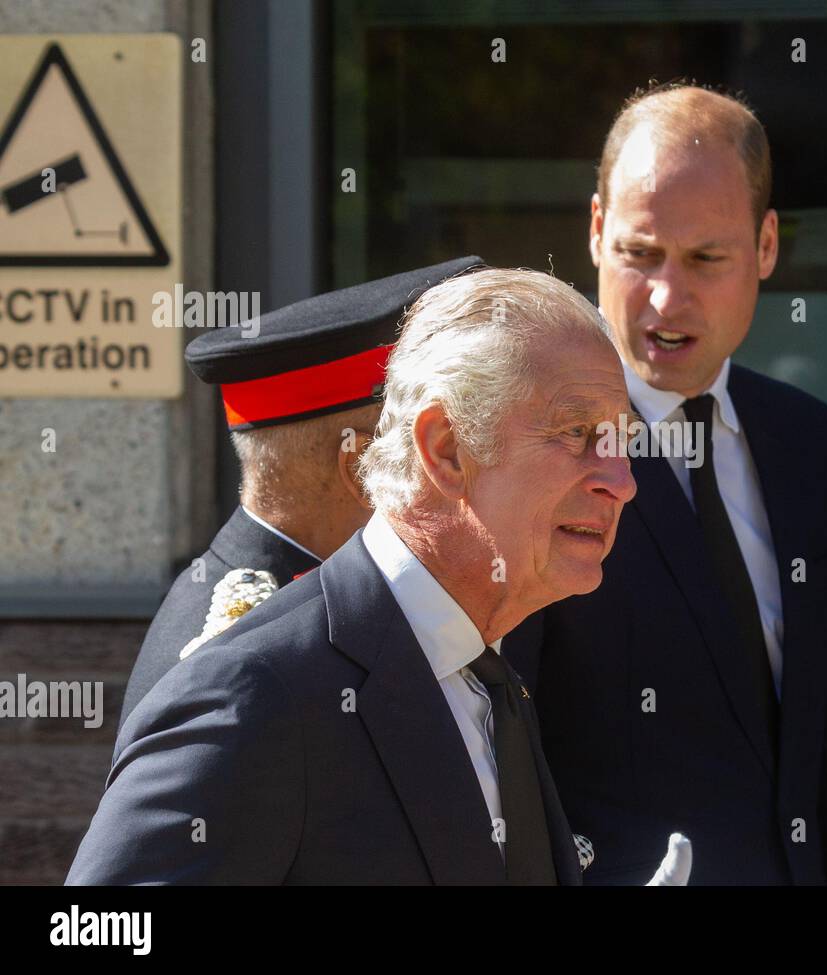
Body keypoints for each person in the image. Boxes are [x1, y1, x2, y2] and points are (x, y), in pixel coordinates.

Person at [68, 268, 636, 884]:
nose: (622, 482)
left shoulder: (488, 677)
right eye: (577, 433)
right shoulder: (256, 693)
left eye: (620, 439)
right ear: (446, 450)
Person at [504, 83, 827, 884]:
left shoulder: (811, 442)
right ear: (595, 231)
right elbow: (499, 756)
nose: (666, 297)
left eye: (704, 259)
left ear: (765, 247)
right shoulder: (530, 446)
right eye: (640, 253)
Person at [118, 257, 481, 730]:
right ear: (362, 466)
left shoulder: (310, 601)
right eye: (433, 450)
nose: (453, 472)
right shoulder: (244, 643)